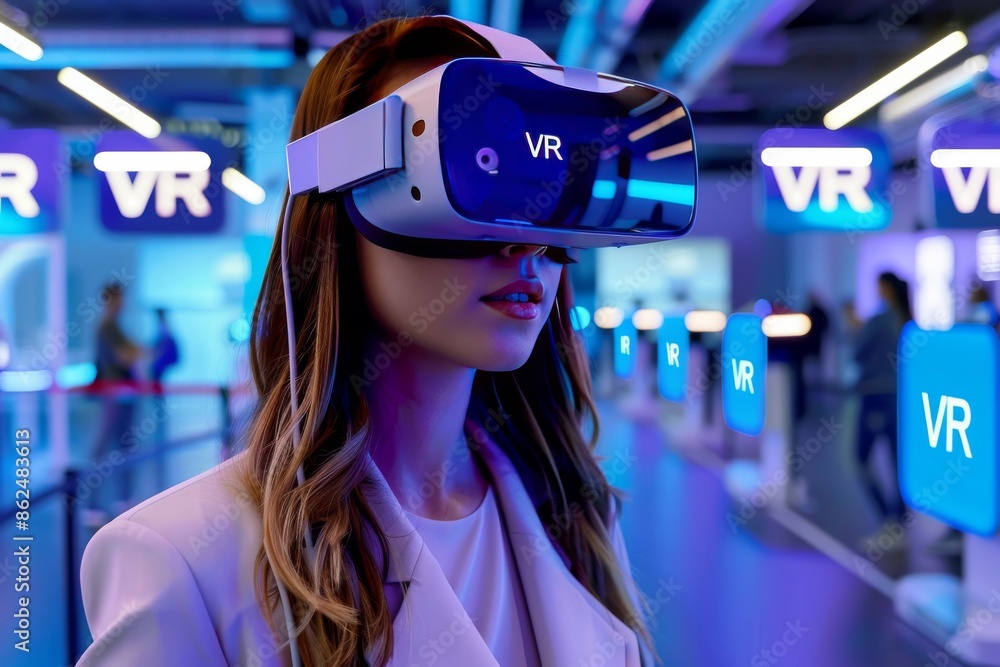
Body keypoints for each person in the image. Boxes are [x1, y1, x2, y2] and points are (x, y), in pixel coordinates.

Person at [79, 16, 655, 667]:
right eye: (466, 180)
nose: (524, 246)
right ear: (337, 202)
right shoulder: (185, 560)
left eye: (543, 197)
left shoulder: (575, 514)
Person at [845, 272, 911, 540]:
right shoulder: (907, 320)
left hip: (876, 397)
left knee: (861, 459)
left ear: (886, 288)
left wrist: (856, 329)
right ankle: (898, 522)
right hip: (900, 397)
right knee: (898, 463)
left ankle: (890, 520)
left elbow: (858, 355)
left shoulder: (880, 321)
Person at [89, 282, 144, 514]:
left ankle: (123, 498)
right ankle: (93, 503)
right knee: (104, 447)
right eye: (118, 298)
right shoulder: (108, 327)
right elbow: (126, 356)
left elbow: (133, 352)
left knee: (124, 444)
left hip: (122, 392)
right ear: (109, 300)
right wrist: (135, 352)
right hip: (113, 392)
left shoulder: (116, 327)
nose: (122, 303)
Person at [150, 308, 179, 389]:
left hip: (163, 358)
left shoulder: (163, 325)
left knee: (157, 376)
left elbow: (164, 341)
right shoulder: (164, 324)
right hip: (162, 358)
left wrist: (156, 353)